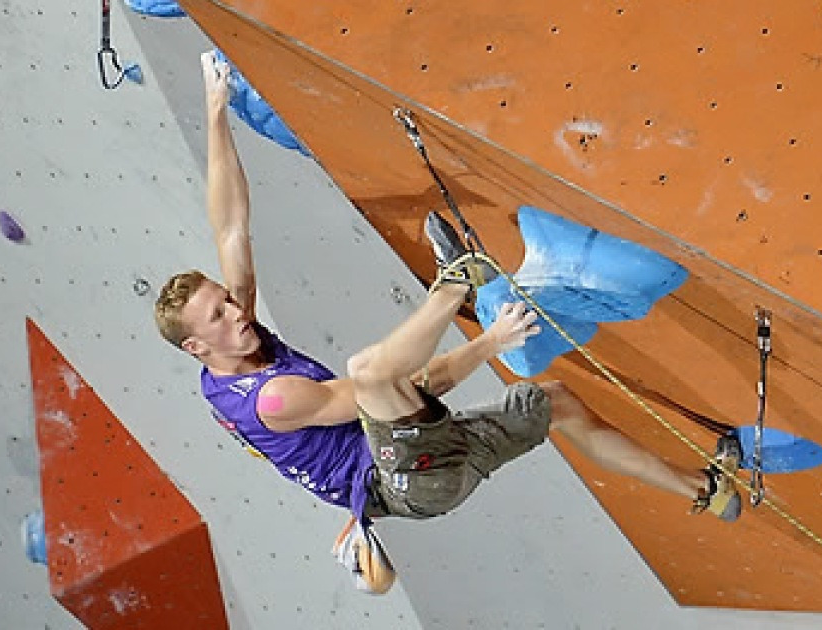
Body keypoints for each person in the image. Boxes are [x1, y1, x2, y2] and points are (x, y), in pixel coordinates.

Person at [153, 51, 741, 594]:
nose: (236, 309)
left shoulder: (231, 342)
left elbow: (230, 227)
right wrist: (489, 341)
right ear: (198, 347)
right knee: (370, 370)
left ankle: (706, 494)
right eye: (220, 314)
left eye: (227, 301)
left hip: (422, 457)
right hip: (407, 479)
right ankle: (457, 277)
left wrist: (215, 110)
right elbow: (410, 386)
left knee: (556, 402)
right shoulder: (273, 400)